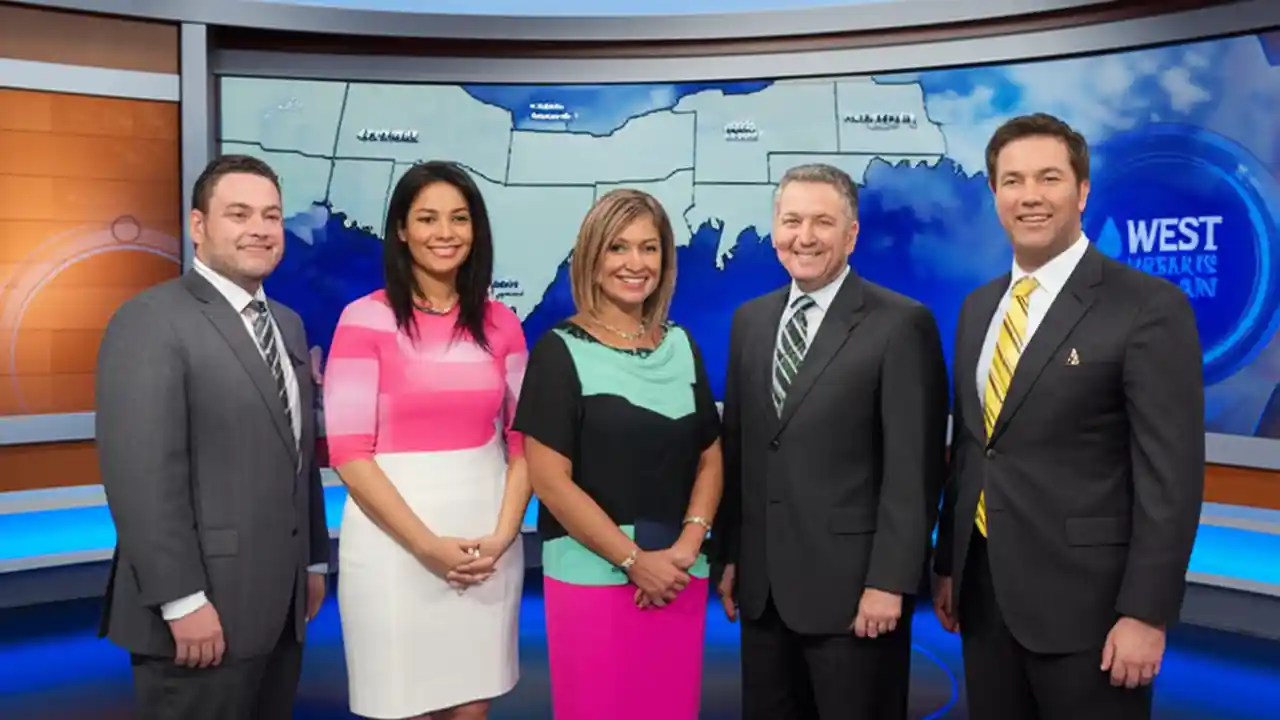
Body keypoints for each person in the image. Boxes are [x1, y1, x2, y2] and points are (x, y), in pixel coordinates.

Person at [932, 112, 1205, 720]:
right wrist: (949, 565)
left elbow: (1173, 478)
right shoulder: (979, 309)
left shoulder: (1147, 307)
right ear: (995, 194)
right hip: (986, 601)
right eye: (1012, 180)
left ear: (1082, 191)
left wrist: (1146, 612)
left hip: (1094, 615)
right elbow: (977, 447)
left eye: (1049, 178)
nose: (1030, 196)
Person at [96, 154, 330, 719]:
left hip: (280, 606)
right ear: (198, 226)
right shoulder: (151, 320)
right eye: (239, 213)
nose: (260, 229)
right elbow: (142, 477)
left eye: (271, 216)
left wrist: (314, 562)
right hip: (199, 613)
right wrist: (181, 600)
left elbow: (295, 453)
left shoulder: (289, 325)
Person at [715, 163, 950, 719]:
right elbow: (743, 449)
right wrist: (729, 555)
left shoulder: (900, 323)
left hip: (855, 598)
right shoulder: (750, 322)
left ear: (852, 234)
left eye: (823, 221)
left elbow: (913, 470)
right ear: (774, 230)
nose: (805, 236)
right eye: (792, 220)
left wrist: (890, 582)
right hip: (763, 594)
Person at [323, 161, 530, 720]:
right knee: (402, 703)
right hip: (394, 543)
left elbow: (523, 440)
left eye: (460, 219)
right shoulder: (363, 320)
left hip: (486, 541)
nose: (446, 233)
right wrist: (424, 545)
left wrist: (505, 535)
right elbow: (348, 451)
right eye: (428, 218)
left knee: (470, 705)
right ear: (401, 230)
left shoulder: (502, 323)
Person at [512, 188, 723, 720]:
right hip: (593, 578)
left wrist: (685, 547)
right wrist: (633, 562)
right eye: (618, 248)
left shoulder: (682, 345)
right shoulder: (558, 351)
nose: (636, 264)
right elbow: (550, 481)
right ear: (592, 257)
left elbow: (710, 455)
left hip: (679, 575)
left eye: (649, 249)